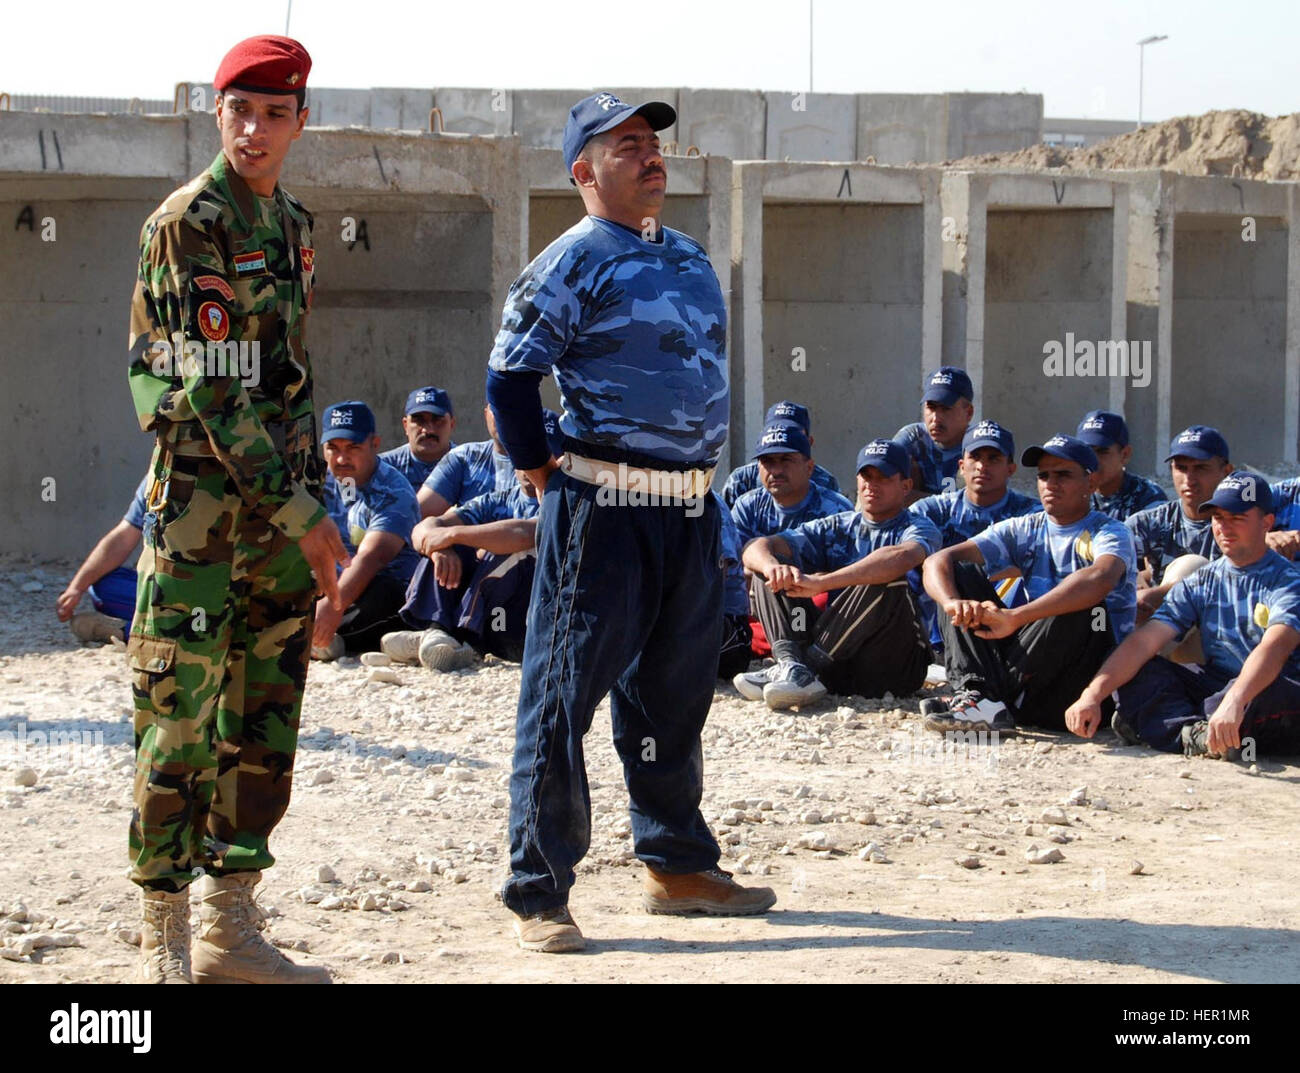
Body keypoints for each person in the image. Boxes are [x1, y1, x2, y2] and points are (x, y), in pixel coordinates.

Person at [484, 91, 776, 953]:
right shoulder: (571, 260)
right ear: (584, 171)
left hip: (688, 509)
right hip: (601, 509)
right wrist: (541, 471)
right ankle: (539, 891)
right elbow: (511, 380)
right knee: (560, 699)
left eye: (653, 143)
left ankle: (677, 865)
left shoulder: (689, 258)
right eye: (627, 147)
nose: (651, 157)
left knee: (675, 696)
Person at [124, 35, 348, 984]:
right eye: (238, 111)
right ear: (216, 113)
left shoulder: (293, 224)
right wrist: (305, 511)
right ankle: (163, 937)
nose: (255, 131)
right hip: (200, 519)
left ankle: (231, 927)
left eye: (275, 113)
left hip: (279, 518)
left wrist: (313, 505)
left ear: (302, 119)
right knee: (180, 716)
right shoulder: (189, 222)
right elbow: (213, 390)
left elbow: (287, 381)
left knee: (264, 718)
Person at [1066, 473, 1300, 758]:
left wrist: (1236, 698)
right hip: (1216, 683)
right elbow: (1147, 641)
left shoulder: (1288, 581)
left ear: (1266, 523)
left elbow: (1274, 647)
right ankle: (1197, 736)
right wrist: (1091, 695)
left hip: (1270, 685)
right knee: (1137, 668)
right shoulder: (1204, 580)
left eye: (1236, 518)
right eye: (1218, 517)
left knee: (1259, 695)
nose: (1224, 528)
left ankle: (1159, 724)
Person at [920, 434, 1137, 735]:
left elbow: (1100, 578)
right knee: (959, 572)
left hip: (1085, 672)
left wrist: (1016, 617)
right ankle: (980, 697)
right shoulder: (1027, 526)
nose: (1051, 484)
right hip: (1033, 666)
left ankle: (991, 699)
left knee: (1085, 606)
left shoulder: (1110, 531)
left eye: (1063, 475)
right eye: (1044, 475)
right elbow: (937, 561)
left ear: (1091, 482)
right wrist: (953, 604)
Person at [737, 439, 940, 709]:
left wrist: (821, 583)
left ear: (905, 486)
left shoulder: (919, 527)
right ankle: (792, 665)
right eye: (866, 476)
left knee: (885, 578)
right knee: (772, 568)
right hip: (838, 659)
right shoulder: (840, 525)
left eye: (883, 477)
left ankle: (804, 668)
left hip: (890, 663)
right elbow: (756, 547)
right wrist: (773, 567)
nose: (872, 484)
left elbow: (900, 558)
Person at [909, 420, 1041, 652]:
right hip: (946, 623)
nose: (982, 466)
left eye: (994, 458)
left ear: (1011, 469)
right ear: (961, 465)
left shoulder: (1032, 515)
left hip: (1013, 624)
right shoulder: (930, 511)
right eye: (975, 457)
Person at [395, 471, 543, 670]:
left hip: (521, 621)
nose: (528, 465)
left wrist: (452, 534)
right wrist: (440, 548)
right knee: (444, 548)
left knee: (506, 549)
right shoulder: (500, 499)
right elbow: (424, 527)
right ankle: (438, 634)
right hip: (488, 613)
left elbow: (525, 533)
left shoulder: (564, 500)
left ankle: (459, 641)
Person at [314, 401, 422, 659]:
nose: (341, 459)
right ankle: (321, 638)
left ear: (375, 444)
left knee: (385, 597)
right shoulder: (315, 481)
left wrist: (332, 606)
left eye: (353, 448)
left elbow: (372, 558)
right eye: (332, 448)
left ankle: (314, 636)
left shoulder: (394, 491)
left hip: (375, 587)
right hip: (331, 583)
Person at [1126, 425, 1232, 622]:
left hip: (1216, 629)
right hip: (1159, 629)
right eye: (1181, 468)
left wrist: (1157, 595)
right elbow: (1107, 561)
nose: (1189, 480)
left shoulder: (1239, 524)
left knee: (1193, 565)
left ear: (1226, 471)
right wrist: (1135, 584)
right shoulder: (1152, 521)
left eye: (1201, 468)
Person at [57, 474, 152, 641]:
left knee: (204, 613)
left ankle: (128, 631)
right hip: (165, 590)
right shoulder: (159, 477)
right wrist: (76, 588)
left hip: (206, 591)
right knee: (103, 585)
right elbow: (123, 538)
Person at [730, 423, 852, 545]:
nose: (776, 471)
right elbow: (733, 558)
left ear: (809, 468)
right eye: (767, 461)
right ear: (758, 467)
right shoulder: (747, 507)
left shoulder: (837, 511)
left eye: (786, 460)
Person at [720, 401, 842, 507]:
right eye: (775, 431)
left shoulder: (825, 482)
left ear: (809, 442)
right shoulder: (741, 480)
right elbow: (724, 526)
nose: (782, 439)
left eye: (794, 435)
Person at [417, 404, 516, 519]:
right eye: (496, 408)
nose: (503, 415)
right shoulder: (465, 457)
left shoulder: (540, 464)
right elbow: (414, 515)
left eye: (513, 406)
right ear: (486, 414)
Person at [895, 366, 976, 502]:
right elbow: (887, 493)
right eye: (931, 407)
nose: (936, 418)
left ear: (968, 413)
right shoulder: (913, 439)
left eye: (946, 409)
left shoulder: (980, 445)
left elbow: (983, 503)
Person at [1075, 410, 1166, 521]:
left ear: (1124, 455)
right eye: (1087, 451)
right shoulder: (1071, 492)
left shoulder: (1147, 496)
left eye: (1102, 451)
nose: (1093, 460)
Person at [380, 385, 456, 490]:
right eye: (419, 420)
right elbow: (349, 497)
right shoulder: (382, 467)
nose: (428, 430)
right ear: (405, 425)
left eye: (437, 420)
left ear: (451, 424)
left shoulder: (470, 467)